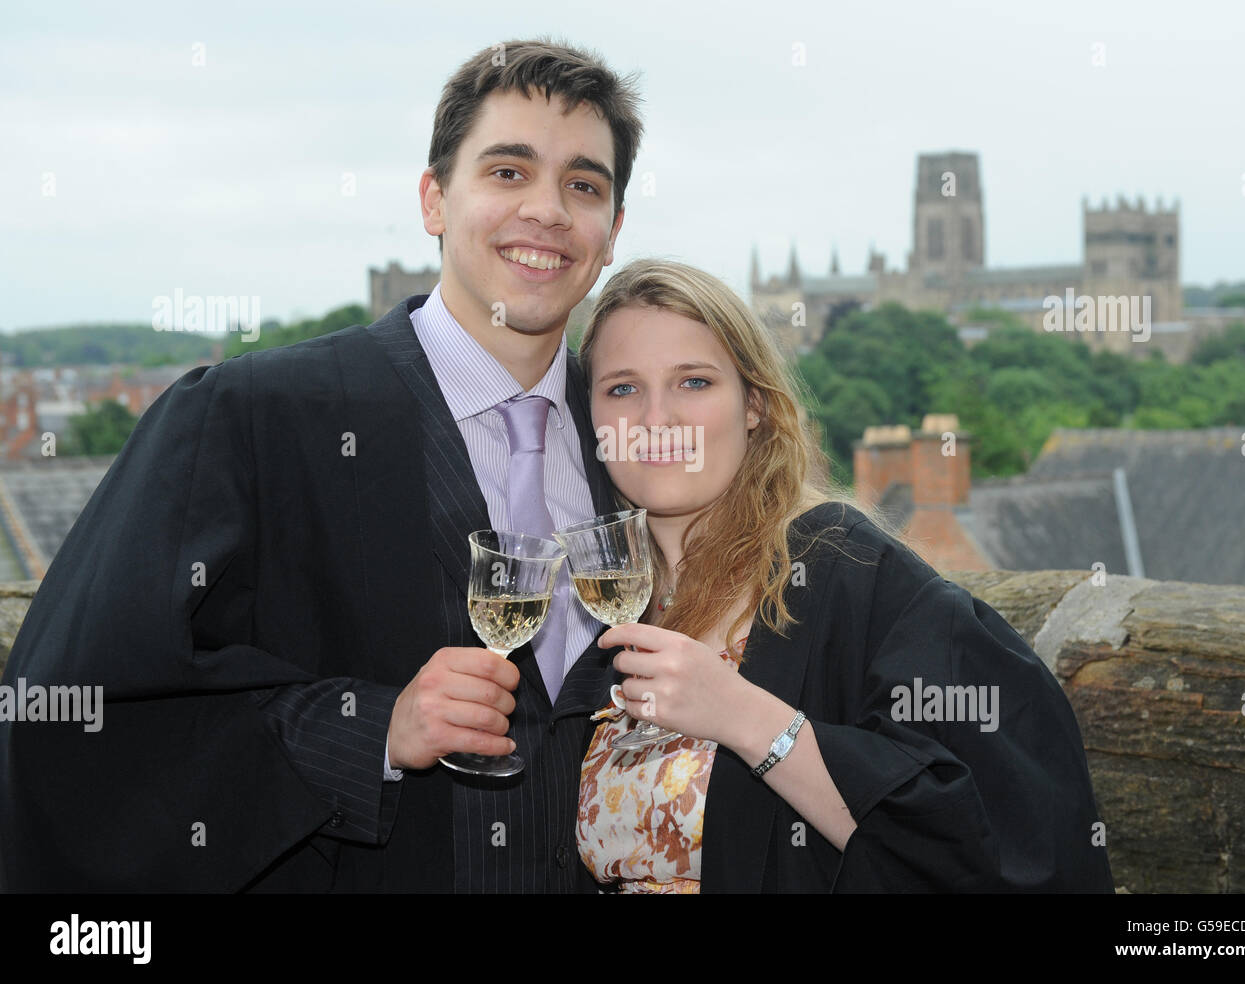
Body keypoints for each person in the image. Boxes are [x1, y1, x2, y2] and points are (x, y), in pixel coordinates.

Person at [0, 39, 643, 892]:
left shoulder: (635, 445)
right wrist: (372, 730)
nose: (549, 212)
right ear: (434, 200)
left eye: (584, 186)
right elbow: (69, 714)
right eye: (507, 171)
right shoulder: (247, 421)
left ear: (612, 235)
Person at [572, 259, 1116, 892]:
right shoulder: (610, 607)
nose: (656, 419)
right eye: (621, 389)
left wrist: (747, 718)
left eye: (693, 382)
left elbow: (994, 832)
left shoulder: (848, 574)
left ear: (754, 405)